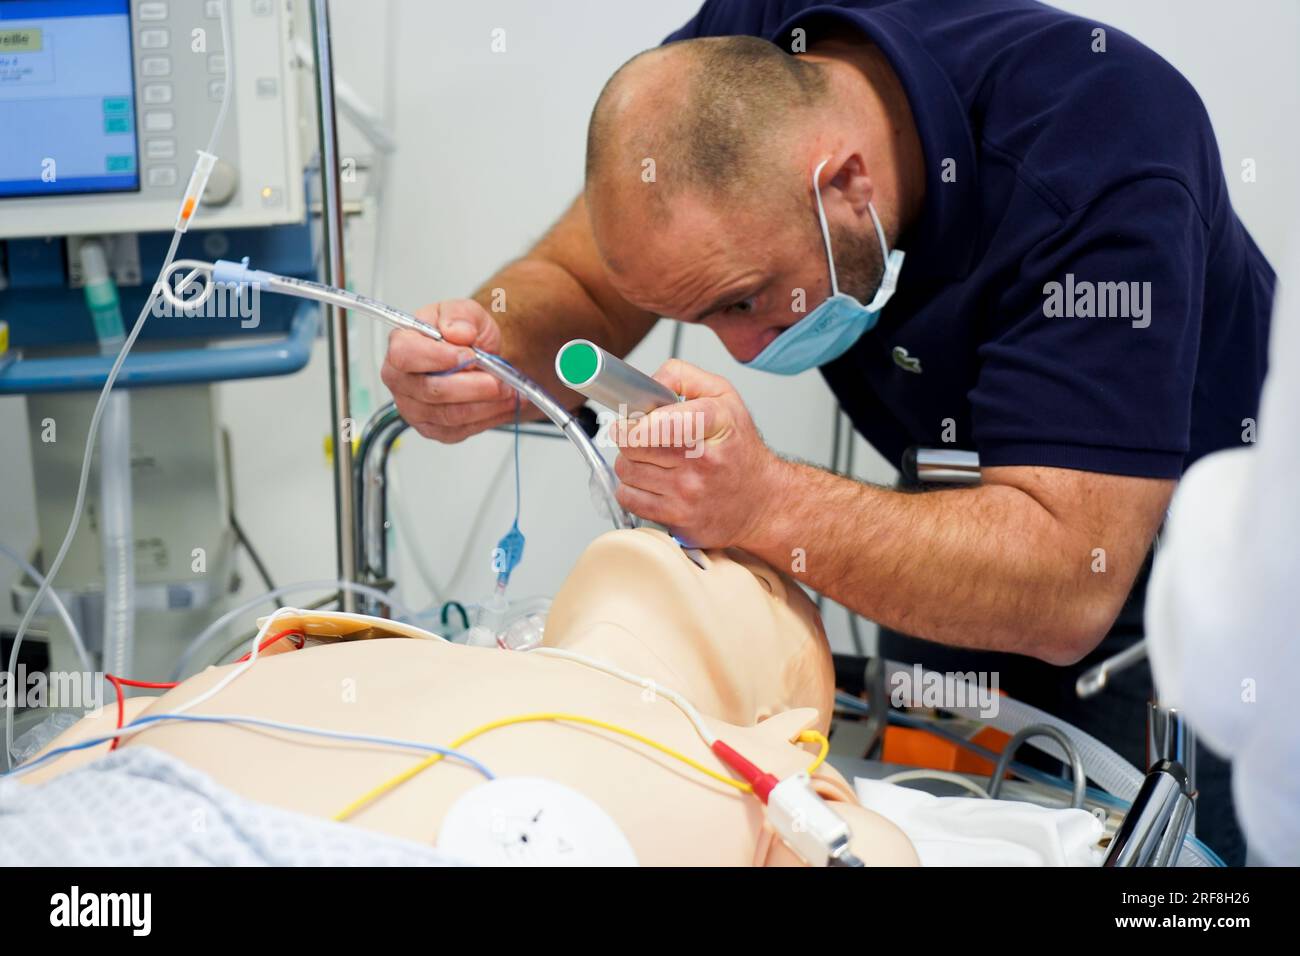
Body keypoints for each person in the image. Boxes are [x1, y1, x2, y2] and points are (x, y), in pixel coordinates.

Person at [380, 1, 1273, 862]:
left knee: (1183, 857)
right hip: (960, 510)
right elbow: (583, 281)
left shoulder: (1104, 150)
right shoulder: (756, 49)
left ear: (847, 185)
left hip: (1178, 589)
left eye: (744, 300)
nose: (738, 347)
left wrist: (762, 501)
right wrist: (501, 350)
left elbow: (1069, 578)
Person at [24, 529, 919, 866]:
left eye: (760, 588)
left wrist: (826, 801)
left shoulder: (763, 787)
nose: (709, 545)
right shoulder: (358, 647)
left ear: (786, 725)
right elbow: (87, 748)